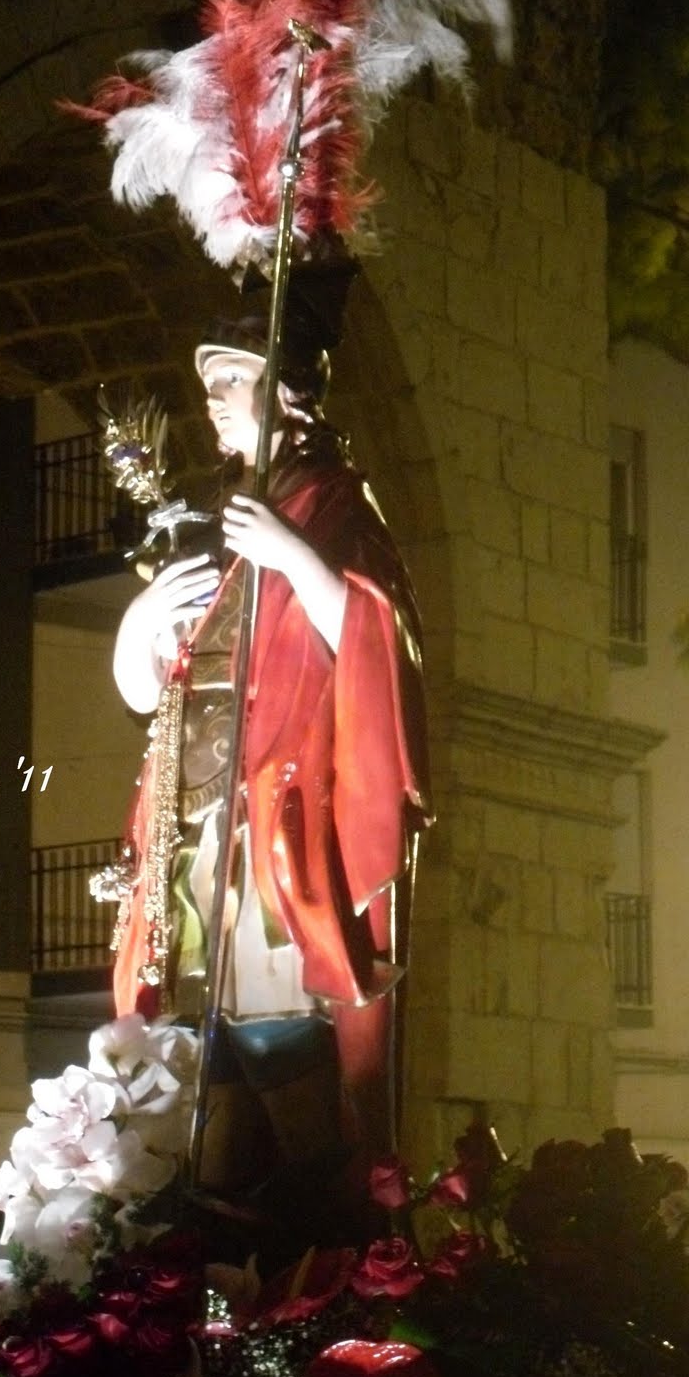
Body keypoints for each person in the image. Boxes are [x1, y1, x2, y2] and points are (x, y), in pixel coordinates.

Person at [106, 308, 431, 1202]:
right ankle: (223, 1214)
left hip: (279, 809)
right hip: (197, 813)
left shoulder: (333, 504)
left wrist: (293, 556)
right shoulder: (215, 521)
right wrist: (143, 623)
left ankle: (318, 1208)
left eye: (230, 378)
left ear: (287, 392)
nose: (211, 398)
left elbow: (374, 636)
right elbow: (150, 689)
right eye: (208, 382)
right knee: (203, 1010)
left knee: (273, 1001)